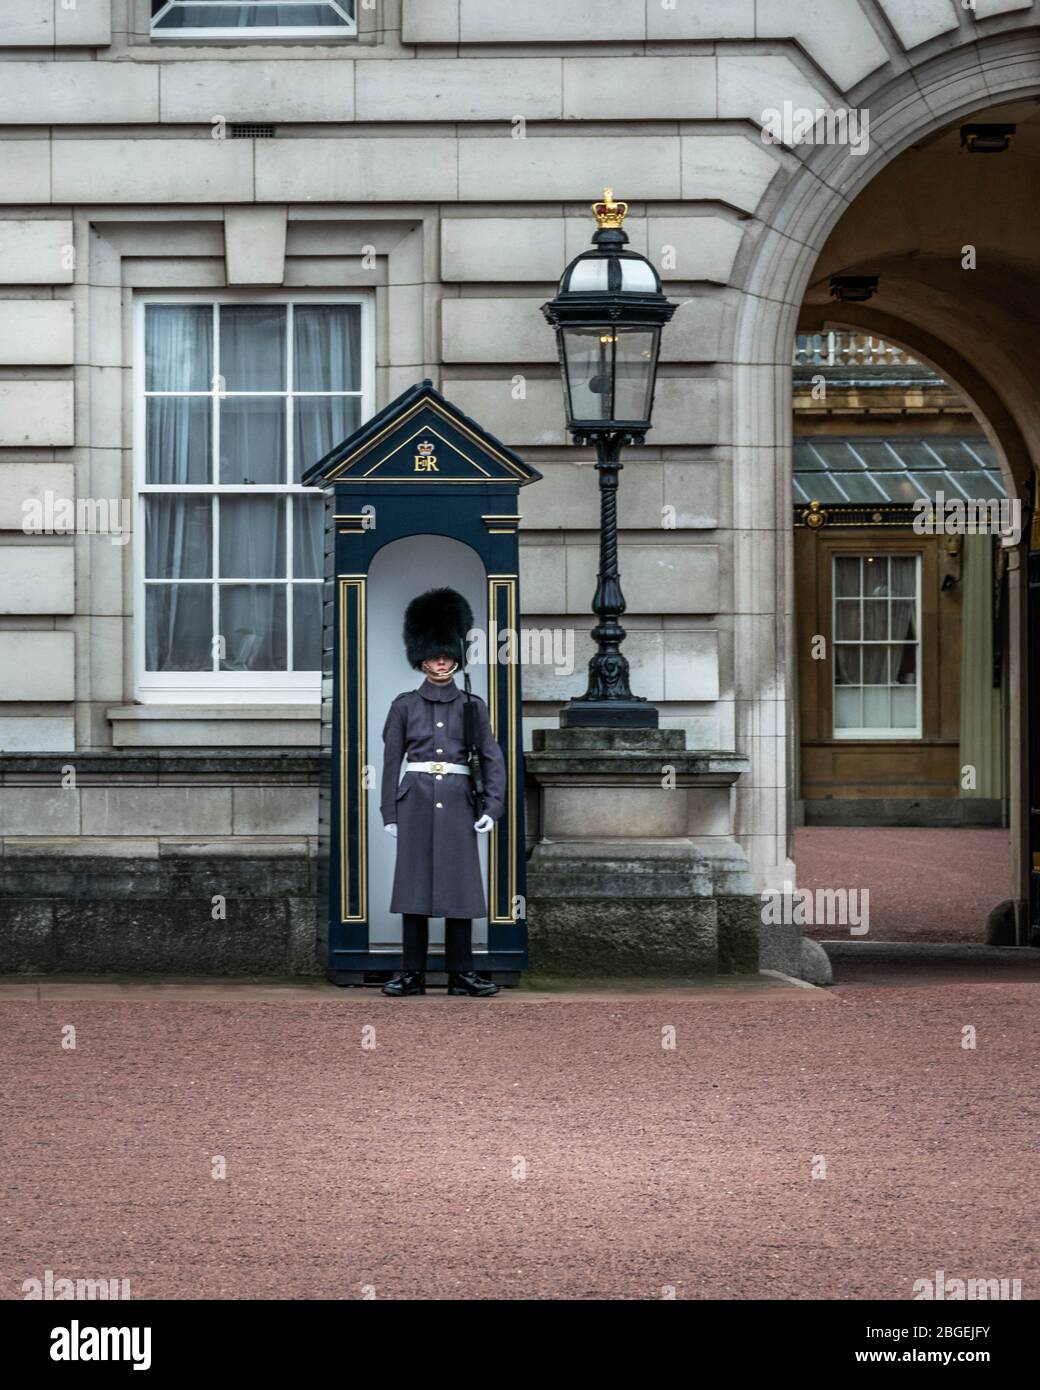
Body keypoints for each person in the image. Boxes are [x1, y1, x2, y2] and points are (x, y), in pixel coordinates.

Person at [380, 587, 507, 997]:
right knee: (413, 887)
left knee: (459, 887)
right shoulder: (404, 706)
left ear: (455, 655)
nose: (440, 660)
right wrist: (389, 813)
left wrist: (493, 805)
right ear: (421, 657)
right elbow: (390, 763)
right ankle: (411, 973)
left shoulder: (473, 704)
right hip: (414, 799)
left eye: (447, 653)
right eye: (434, 654)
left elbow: (491, 758)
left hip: (457, 800)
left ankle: (460, 973)